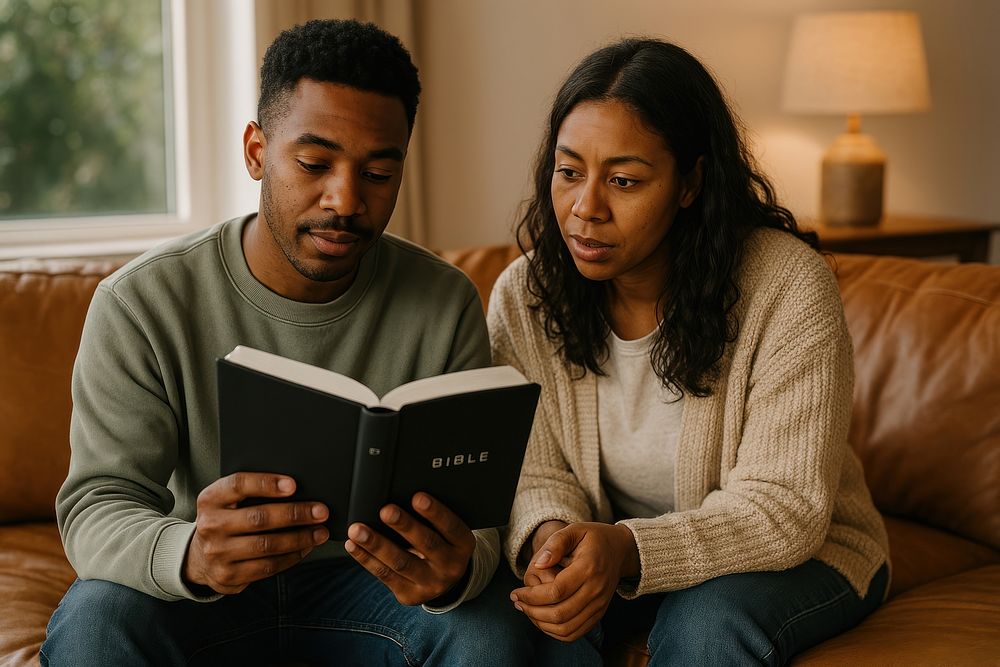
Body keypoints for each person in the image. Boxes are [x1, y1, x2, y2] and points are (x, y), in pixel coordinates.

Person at [42, 19, 536, 666]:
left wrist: (455, 570)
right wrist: (190, 553)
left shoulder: (444, 301)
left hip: (377, 589)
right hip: (206, 589)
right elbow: (96, 505)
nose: (346, 199)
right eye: (313, 163)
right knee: (96, 618)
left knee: (494, 627)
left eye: (379, 174)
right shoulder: (141, 302)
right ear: (255, 150)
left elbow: (482, 516)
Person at [488, 38, 890, 665]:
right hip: (617, 554)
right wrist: (555, 547)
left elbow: (784, 509)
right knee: (519, 623)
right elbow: (534, 471)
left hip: (805, 553)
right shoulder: (525, 295)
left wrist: (626, 548)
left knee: (705, 624)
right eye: (569, 172)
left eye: (623, 180)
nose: (585, 208)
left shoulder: (787, 287)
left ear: (690, 182)